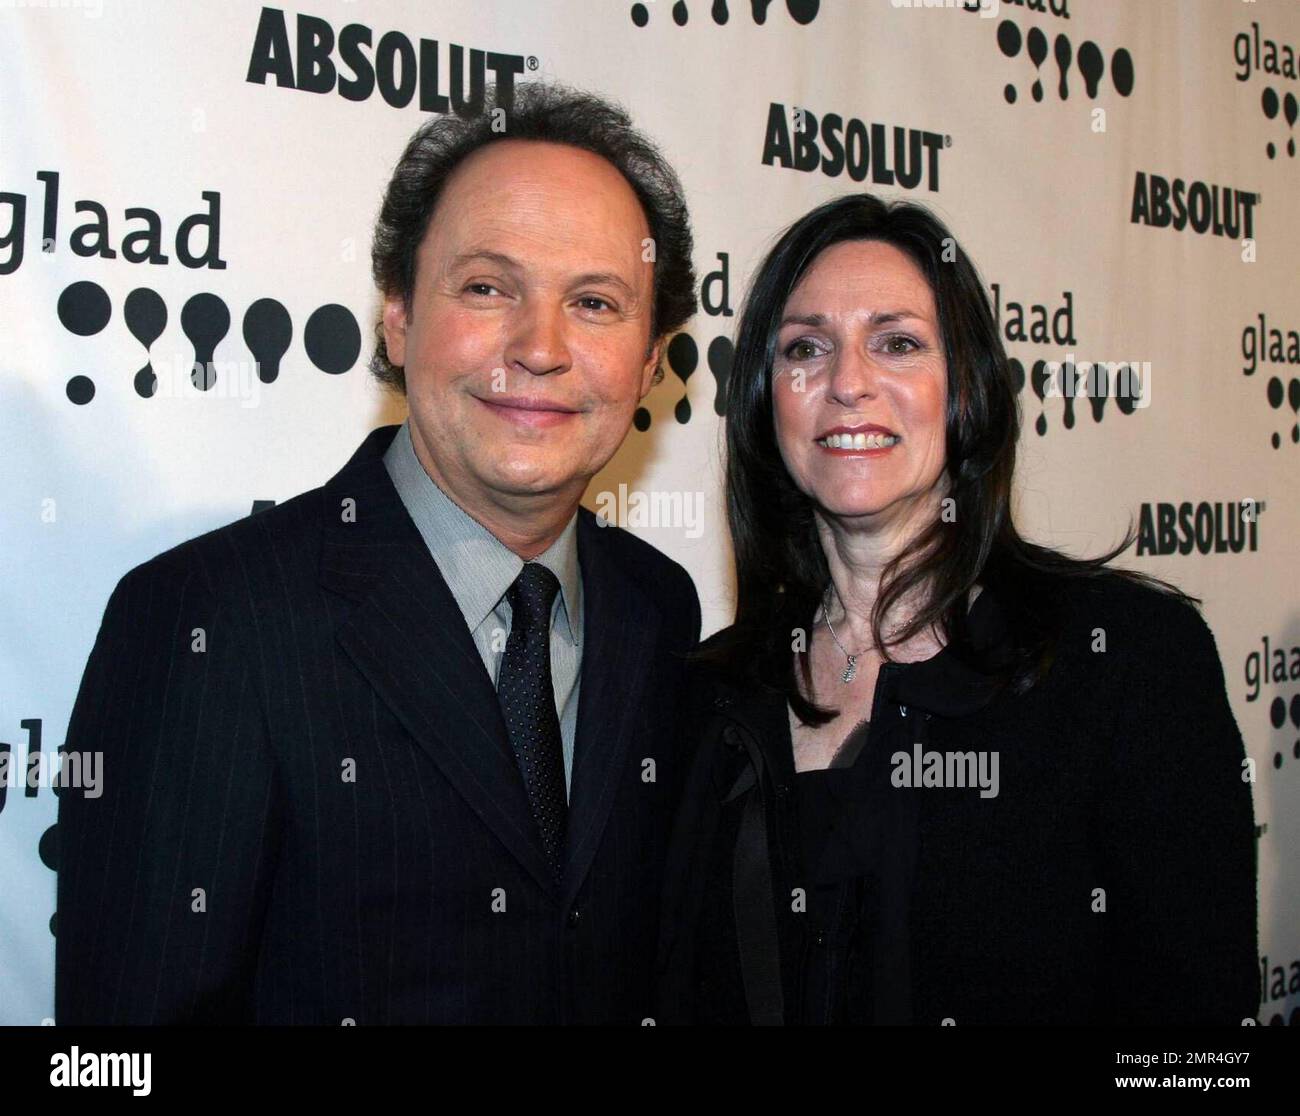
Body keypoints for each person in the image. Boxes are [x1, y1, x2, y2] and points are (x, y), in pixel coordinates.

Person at [56, 81, 701, 1024]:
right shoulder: (208, 621)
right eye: (487, 287)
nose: (540, 347)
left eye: (596, 303)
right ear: (397, 317)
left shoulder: (660, 609)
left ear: (650, 361)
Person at [655, 193, 1259, 1026]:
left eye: (897, 343)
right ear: (766, 400)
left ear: (966, 390)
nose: (848, 383)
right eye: (806, 348)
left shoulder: (1124, 662)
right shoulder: (713, 691)